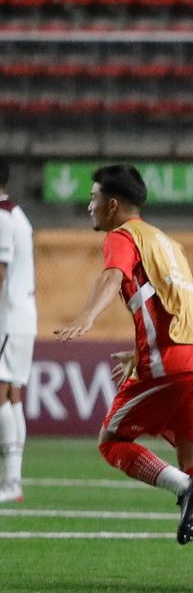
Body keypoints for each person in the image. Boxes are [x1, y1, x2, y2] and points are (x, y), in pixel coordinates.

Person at [54, 164, 193, 581]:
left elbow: (112, 276)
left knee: (112, 441)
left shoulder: (123, 237)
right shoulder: (168, 242)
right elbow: (174, 308)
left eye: (93, 198)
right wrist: (137, 354)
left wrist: (86, 317)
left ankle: (184, 490)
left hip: (172, 361)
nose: (90, 205)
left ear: (113, 204)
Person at [0, 159, 35, 504]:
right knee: (12, 395)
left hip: (8, 317)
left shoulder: (2, 218)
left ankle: (11, 482)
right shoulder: (17, 215)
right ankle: (12, 482)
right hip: (20, 315)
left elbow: (1, 271)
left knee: (4, 393)